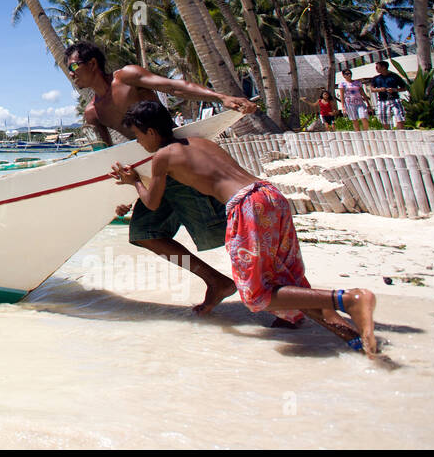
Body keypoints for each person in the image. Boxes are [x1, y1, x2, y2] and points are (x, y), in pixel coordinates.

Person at [110, 101, 378, 353]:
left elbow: (153, 204)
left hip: (246, 207)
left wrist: (133, 181)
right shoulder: (201, 143)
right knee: (288, 277)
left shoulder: (163, 156)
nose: (139, 142)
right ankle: (355, 340)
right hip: (270, 195)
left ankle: (348, 299)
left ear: (152, 132)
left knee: (256, 296)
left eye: (138, 136)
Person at [66, 41, 257, 314]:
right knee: (145, 233)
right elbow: (112, 157)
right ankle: (217, 281)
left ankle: (280, 291)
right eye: (68, 69)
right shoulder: (93, 112)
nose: (71, 74)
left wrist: (221, 98)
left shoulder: (128, 77)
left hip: (180, 165)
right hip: (152, 173)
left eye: (74, 66)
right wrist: (123, 196)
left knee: (229, 232)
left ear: (93, 63)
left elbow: (172, 86)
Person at [370, 61, 407, 130]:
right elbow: (372, 89)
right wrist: (380, 89)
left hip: (394, 99)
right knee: (384, 118)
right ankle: (388, 133)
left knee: (399, 116)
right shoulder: (376, 78)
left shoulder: (394, 76)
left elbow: (404, 88)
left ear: (383, 67)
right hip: (382, 100)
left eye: (377, 67)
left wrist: (394, 90)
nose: (376, 69)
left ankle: (401, 131)